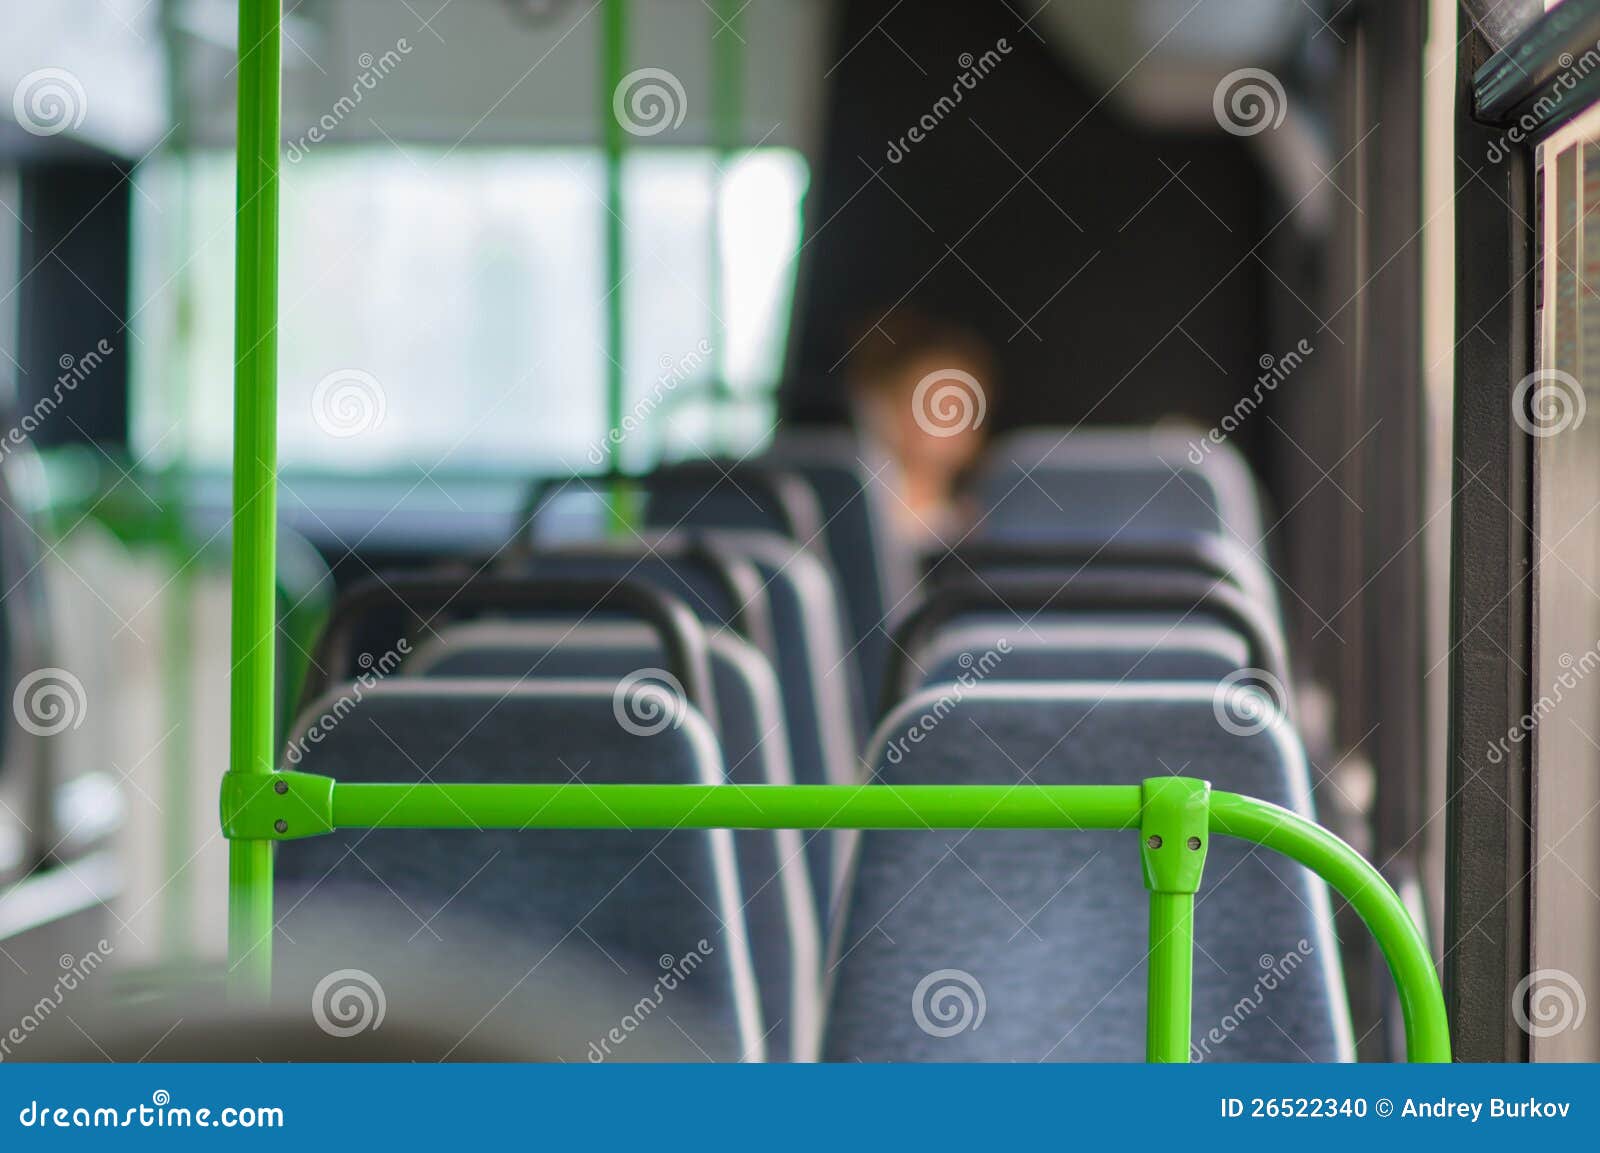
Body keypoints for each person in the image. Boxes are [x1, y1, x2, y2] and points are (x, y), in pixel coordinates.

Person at [846, 309, 998, 548]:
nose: (935, 417)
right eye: (918, 401)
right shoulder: (852, 518)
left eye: (954, 404)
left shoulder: (981, 532)